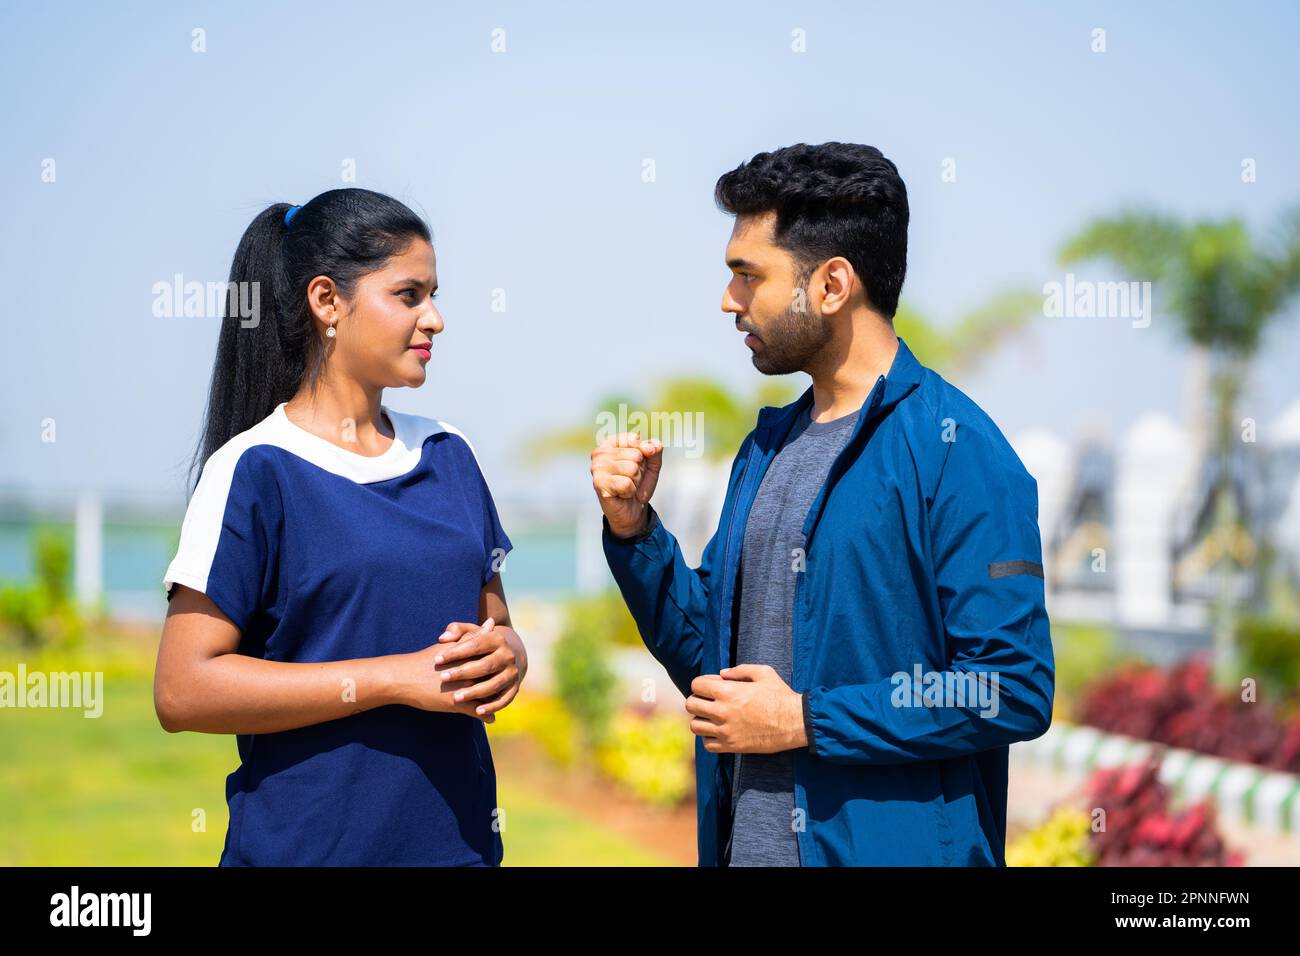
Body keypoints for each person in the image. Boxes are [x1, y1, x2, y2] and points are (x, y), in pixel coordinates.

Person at [591, 143, 1055, 866]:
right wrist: (634, 532)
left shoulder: (956, 450)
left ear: (833, 284)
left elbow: (1011, 686)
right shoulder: (767, 447)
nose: (728, 300)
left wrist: (805, 719)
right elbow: (712, 660)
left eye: (749, 276)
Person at [155, 188, 525, 866]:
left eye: (434, 294)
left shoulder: (451, 455)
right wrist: (393, 679)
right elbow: (183, 690)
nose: (435, 318)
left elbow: (496, 630)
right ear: (328, 301)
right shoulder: (256, 470)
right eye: (409, 295)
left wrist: (508, 659)